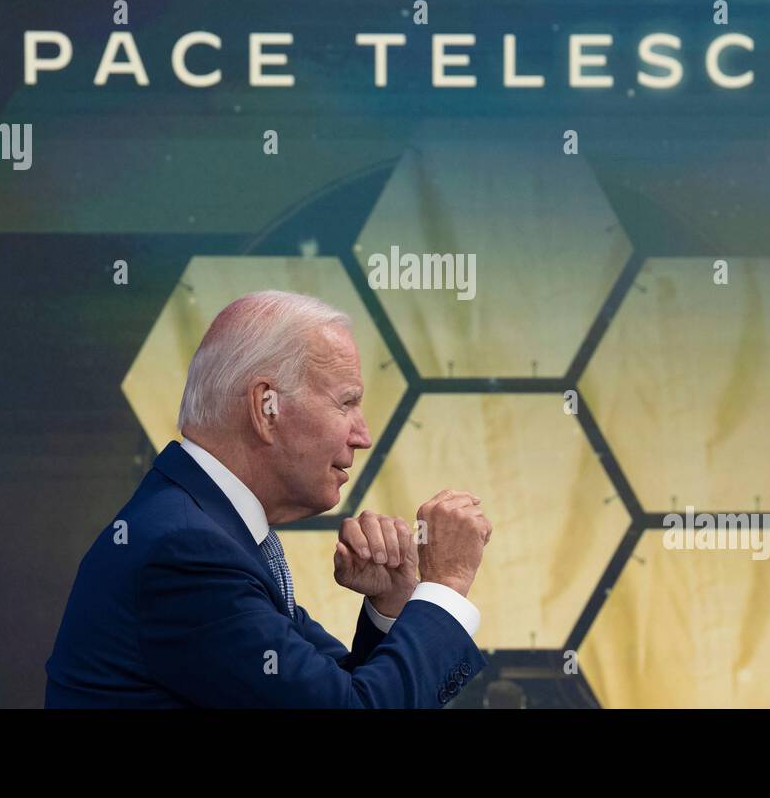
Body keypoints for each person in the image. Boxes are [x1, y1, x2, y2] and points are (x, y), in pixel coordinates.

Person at [45, 289, 493, 707]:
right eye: (346, 403)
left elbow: (330, 689)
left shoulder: (207, 533)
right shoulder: (186, 553)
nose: (363, 436)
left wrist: (392, 605)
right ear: (266, 408)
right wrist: (447, 582)